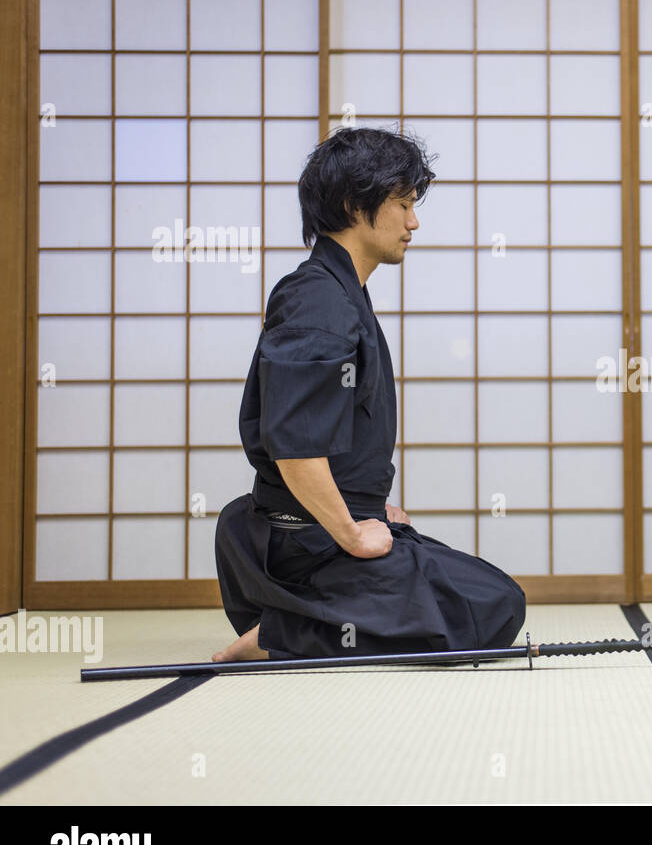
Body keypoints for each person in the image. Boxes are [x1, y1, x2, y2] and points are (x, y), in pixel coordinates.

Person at [212, 127, 526, 662]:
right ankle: (280, 635)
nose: (413, 221)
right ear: (356, 205)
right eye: (402, 204)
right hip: (306, 547)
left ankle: (301, 615)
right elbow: (294, 445)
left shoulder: (339, 292)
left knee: (475, 590)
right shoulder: (318, 299)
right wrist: (354, 534)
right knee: (495, 604)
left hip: (311, 534)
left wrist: (372, 509)